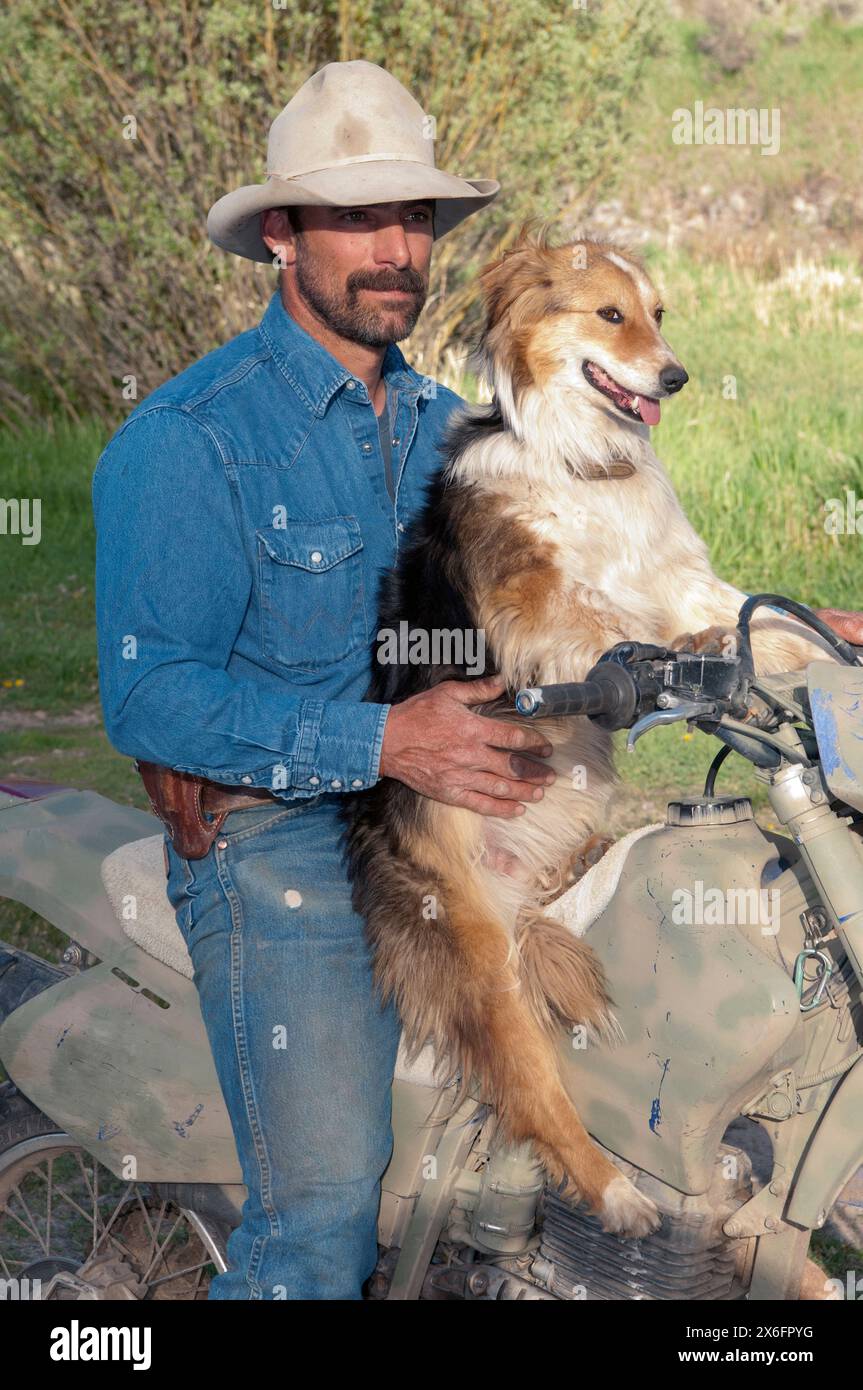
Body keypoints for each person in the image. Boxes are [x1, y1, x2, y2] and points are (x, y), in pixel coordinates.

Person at [91, 59, 557, 1301]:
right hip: (280, 839)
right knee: (324, 1212)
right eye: (361, 217)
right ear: (284, 237)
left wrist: (751, 626)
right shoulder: (190, 440)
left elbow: (558, 590)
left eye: (416, 218)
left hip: (436, 816)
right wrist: (381, 743)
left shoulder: (456, 428)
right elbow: (148, 697)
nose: (397, 248)